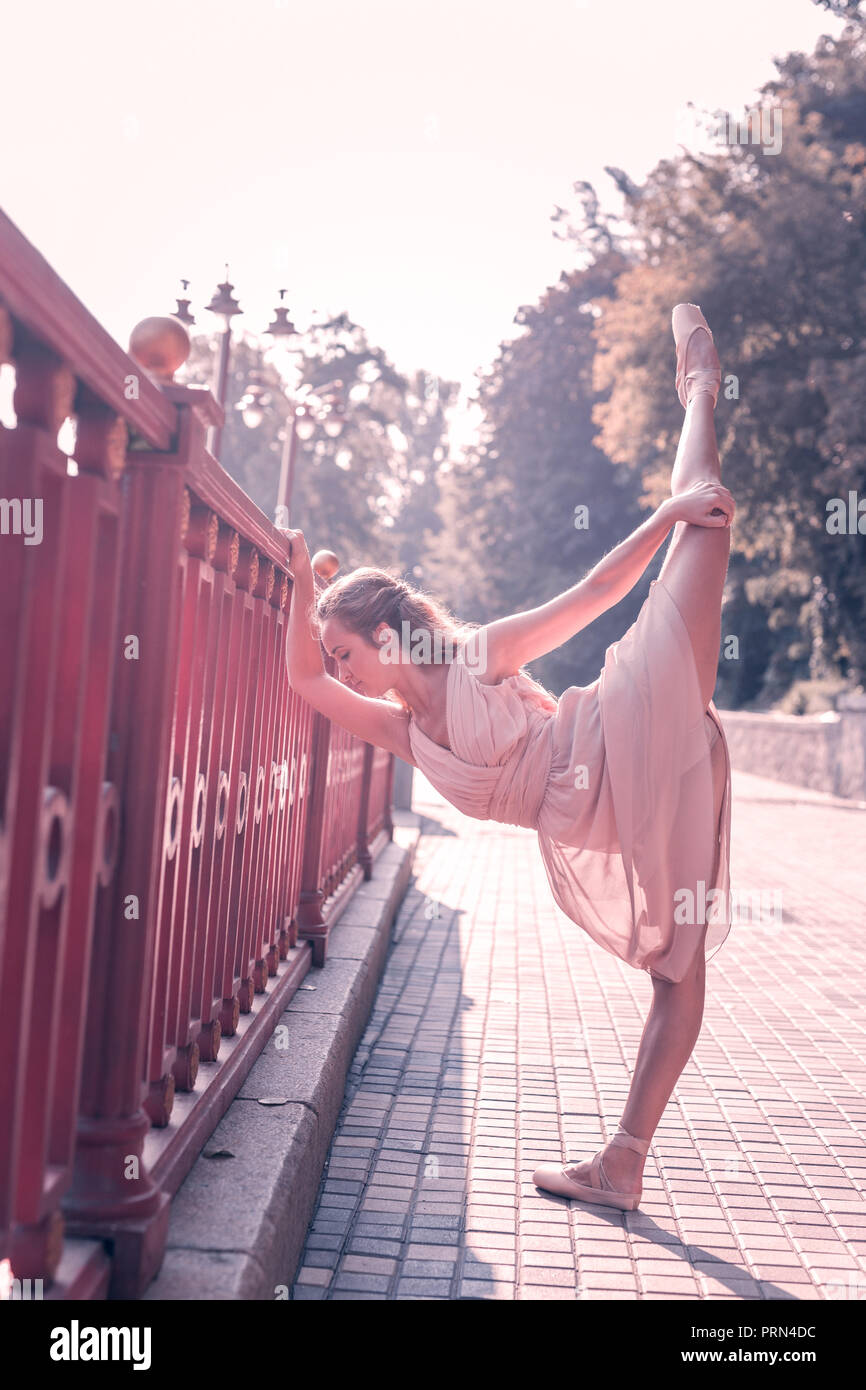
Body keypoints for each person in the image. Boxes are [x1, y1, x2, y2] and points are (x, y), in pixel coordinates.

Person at [284, 303, 735, 1212]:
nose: (345, 673)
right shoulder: (399, 731)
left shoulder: (468, 655)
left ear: (384, 632)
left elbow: (596, 593)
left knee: (707, 525)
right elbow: (303, 683)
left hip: (618, 723)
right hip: (595, 810)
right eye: (339, 659)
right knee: (676, 969)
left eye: (348, 652)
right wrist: (300, 585)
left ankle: (698, 394)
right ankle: (622, 1166)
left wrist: (666, 512)